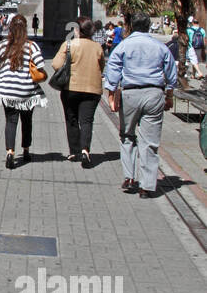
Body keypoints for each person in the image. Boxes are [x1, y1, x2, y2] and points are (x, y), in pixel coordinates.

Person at [105, 11, 177, 198]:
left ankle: (129, 177)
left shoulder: (124, 45)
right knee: (150, 142)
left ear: (131, 26)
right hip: (154, 93)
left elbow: (113, 68)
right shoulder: (160, 47)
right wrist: (169, 94)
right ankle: (147, 186)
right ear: (147, 27)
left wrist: (111, 92)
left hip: (131, 93)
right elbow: (171, 73)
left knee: (127, 135)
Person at [0, 12, 47, 168]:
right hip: (26, 92)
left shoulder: (3, 45)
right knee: (27, 121)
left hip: (7, 91)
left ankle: (10, 152)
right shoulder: (32, 46)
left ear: (10, 28)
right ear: (25, 28)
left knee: (10, 121)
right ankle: (26, 150)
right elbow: (41, 66)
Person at [50, 17, 105, 167]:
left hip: (71, 88)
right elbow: (102, 66)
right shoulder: (97, 47)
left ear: (77, 30)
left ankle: (74, 151)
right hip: (92, 89)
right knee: (87, 121)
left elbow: (55, 64)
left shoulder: (69, 44)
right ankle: (85, 150)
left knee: (71, 118)